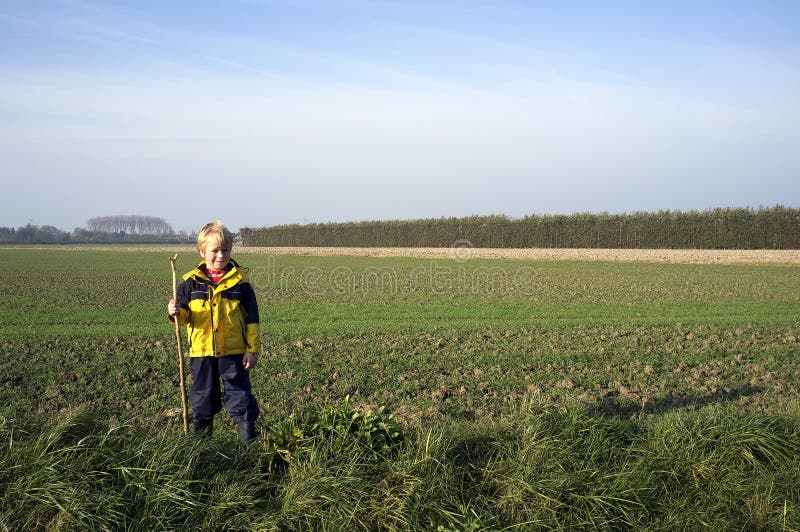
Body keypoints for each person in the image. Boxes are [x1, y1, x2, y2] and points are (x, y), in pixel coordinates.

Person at [167, 221, 260, 445]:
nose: (221, 255)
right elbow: (185, 316)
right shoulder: (190, 284)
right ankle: (201, 451)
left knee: (241, 399)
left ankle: (252, 449)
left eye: (225, 250)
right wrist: (175, 312)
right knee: (203, 400)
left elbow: (252, 320)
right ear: (202, 251)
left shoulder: (241, 284)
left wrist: (252, 349)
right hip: (201, 353)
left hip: (234, 353)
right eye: (215, 250)